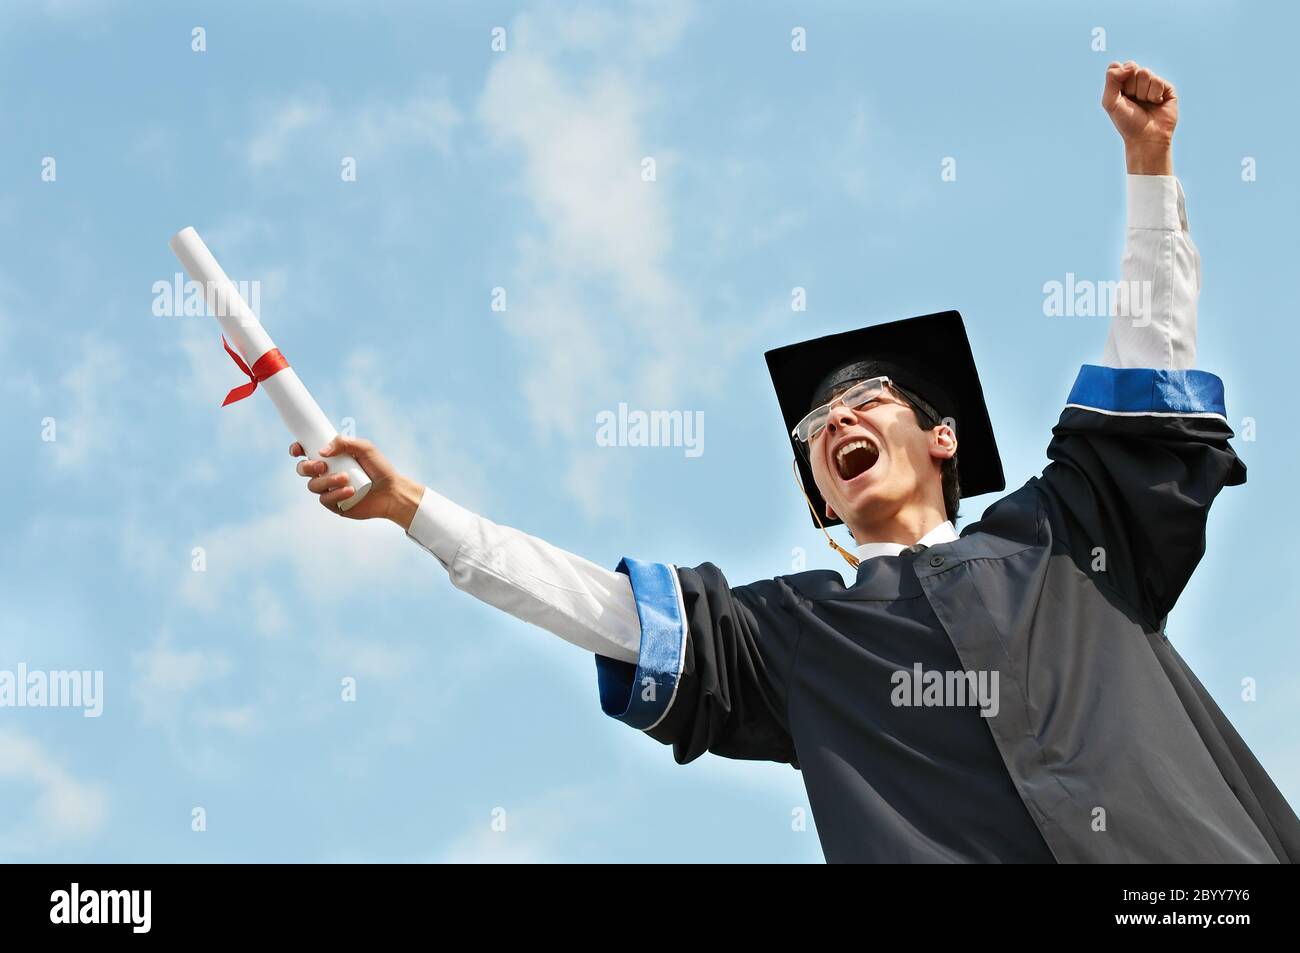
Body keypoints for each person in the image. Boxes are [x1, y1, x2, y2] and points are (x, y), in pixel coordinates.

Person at [289, 62, 1300, 862]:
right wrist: (414, 508)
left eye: (866, 401)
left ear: (941, 437)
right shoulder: (796, 633)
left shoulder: (1064, 533)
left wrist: (1149, 171)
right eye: (815, 428)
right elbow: (596, 606)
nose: (834, 423)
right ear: (819, 487)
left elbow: (1148, 356)